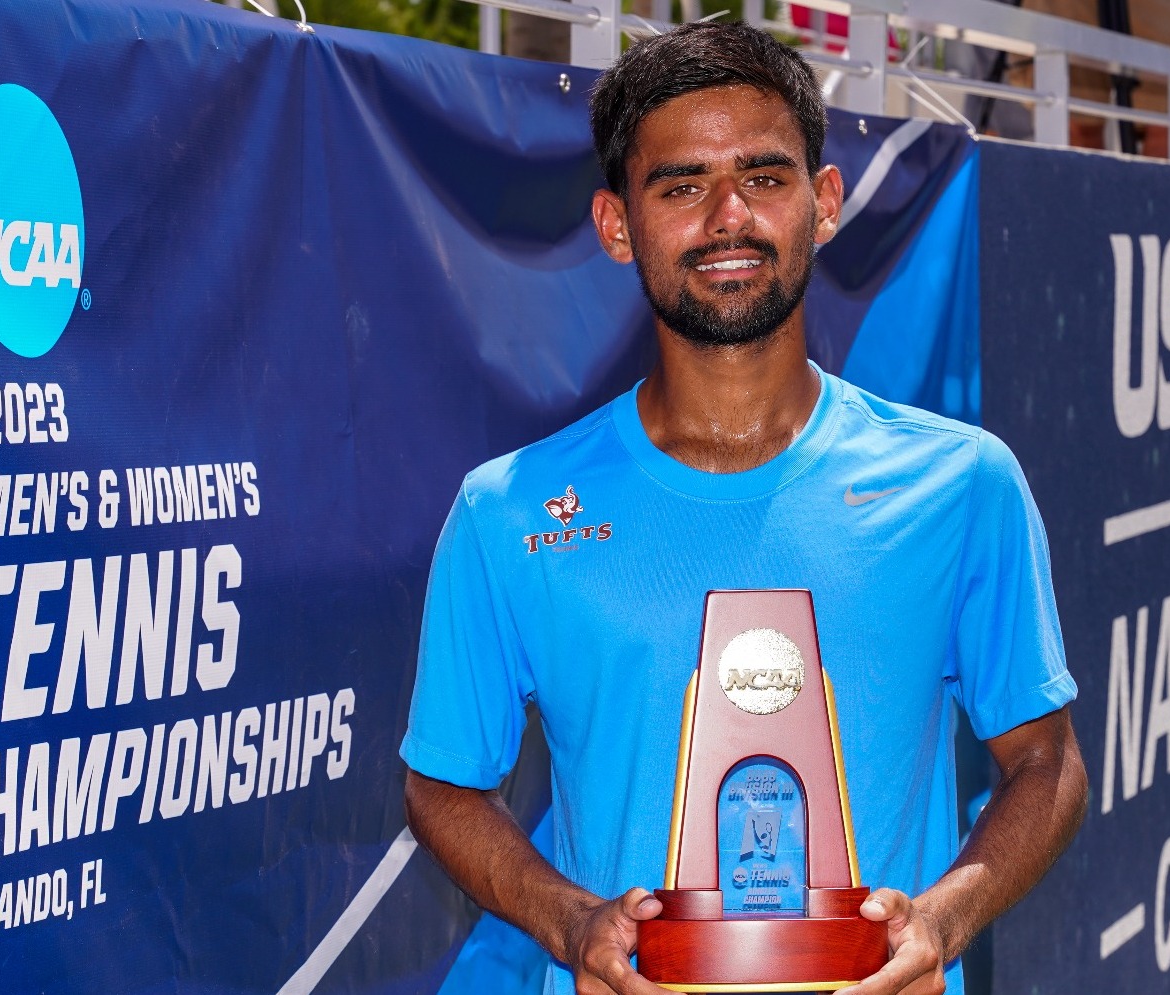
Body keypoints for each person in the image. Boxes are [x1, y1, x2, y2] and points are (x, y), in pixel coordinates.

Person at [398, 21, 1087, 995]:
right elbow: (440, 780)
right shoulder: (505, 511)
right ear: (615, 225)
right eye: (680, 186)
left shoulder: (962, 485)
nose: (728, 215)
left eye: (764, 176)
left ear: (825, 202)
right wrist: (566, 919)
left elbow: (1045, 758)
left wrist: (942, 916)